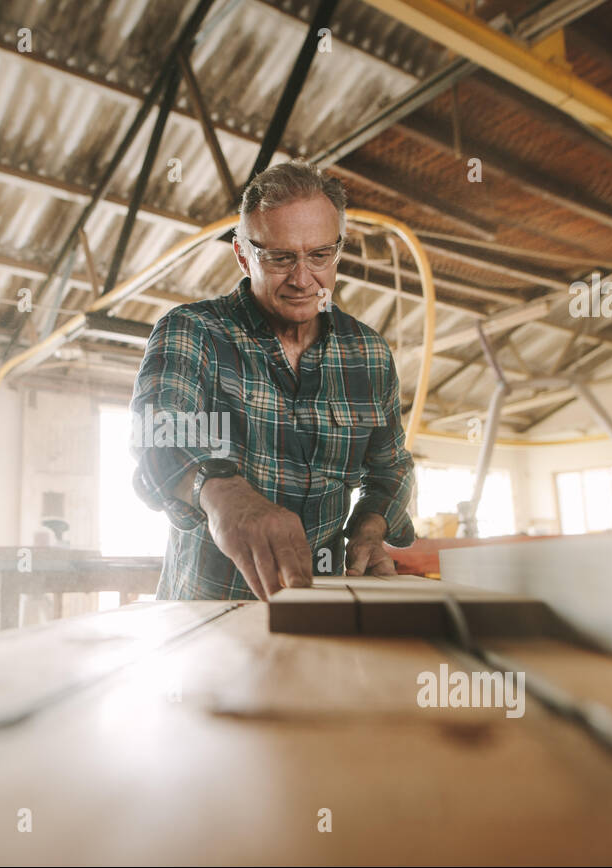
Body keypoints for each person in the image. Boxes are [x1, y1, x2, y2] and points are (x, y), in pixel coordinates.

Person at [130, 160, 416, 601]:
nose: (303, 279)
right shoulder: (194, 331)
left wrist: (370, 525)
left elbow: (391, 469)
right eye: (280, 258)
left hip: (320, 608)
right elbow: (157, 434)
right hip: (207, 616)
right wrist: (221, 490)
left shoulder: (369, 355)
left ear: (337, 250)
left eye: (320, 255)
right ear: (243, 255)